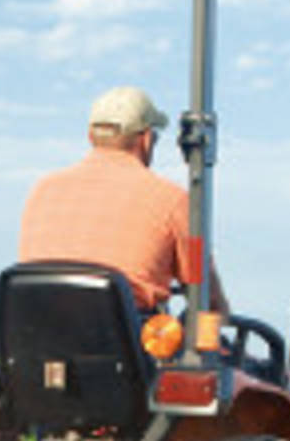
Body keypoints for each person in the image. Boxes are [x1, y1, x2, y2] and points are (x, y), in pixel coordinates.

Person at [18, 86, 230, 317]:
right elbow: (205, 291)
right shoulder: (173, 200)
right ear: (147, 140)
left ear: (91, 136)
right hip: (122, 346)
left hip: (38, 339)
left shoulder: (42, 190)